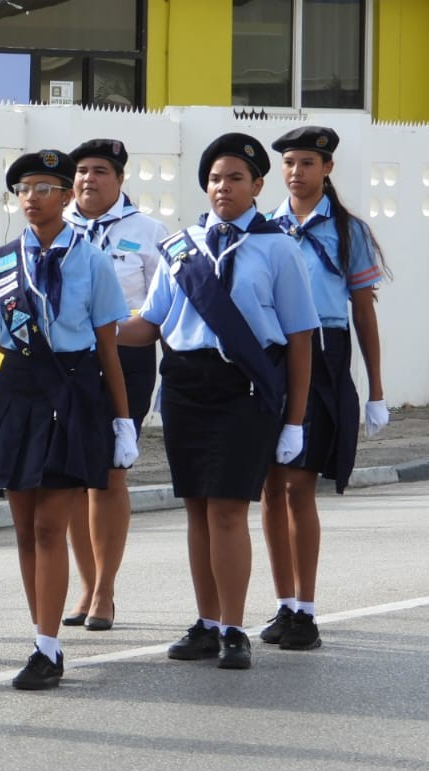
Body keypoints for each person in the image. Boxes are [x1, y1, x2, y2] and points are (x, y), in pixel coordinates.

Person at [119, 133, 318, 670]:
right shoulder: (182, 247)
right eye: (214, 178)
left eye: (235, 178)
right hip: (185, 385)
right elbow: (149, 324)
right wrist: (93, 328)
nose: (223, 187)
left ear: (257, 185)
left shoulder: (278, 248)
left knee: (228, 510)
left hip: (244, 388)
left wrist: (294, 421)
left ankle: (234, 629)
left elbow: (300, 338)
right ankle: (206, 623)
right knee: (196, 509)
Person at [0, 149, 136, 691]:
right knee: (26, 528)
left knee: (52, 525)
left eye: (44, 188)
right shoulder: (2, 260)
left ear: (66, 196)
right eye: (24, 189)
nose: (32, 198)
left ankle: (48, 648)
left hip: (74, 388)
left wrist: (122, 421)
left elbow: (107, 347)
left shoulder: (91, 259)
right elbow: (5, 340)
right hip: (20, 388)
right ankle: (41, 635)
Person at [259, 126, 390, 651]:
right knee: (270, 486)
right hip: (271, 354)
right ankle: (283, 602)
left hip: (322, 352)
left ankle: (307, 611)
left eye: (308, 163)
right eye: (290, 162)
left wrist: (376, 388)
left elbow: (363, 311)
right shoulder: (265, 227)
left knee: (299, 485)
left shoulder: (348, 231)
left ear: (328, 168)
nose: (297, 172)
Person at [61, 139, 170, 631]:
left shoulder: (148, 232)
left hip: (124, 362)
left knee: (108, 475)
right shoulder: (56, 227)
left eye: (100, 171)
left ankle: (105, 590)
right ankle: (86, 586)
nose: (89, 179)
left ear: (120, 179)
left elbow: (160, 309)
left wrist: (106, 329)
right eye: (82, 170)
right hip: (65, 363)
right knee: (69, 478)